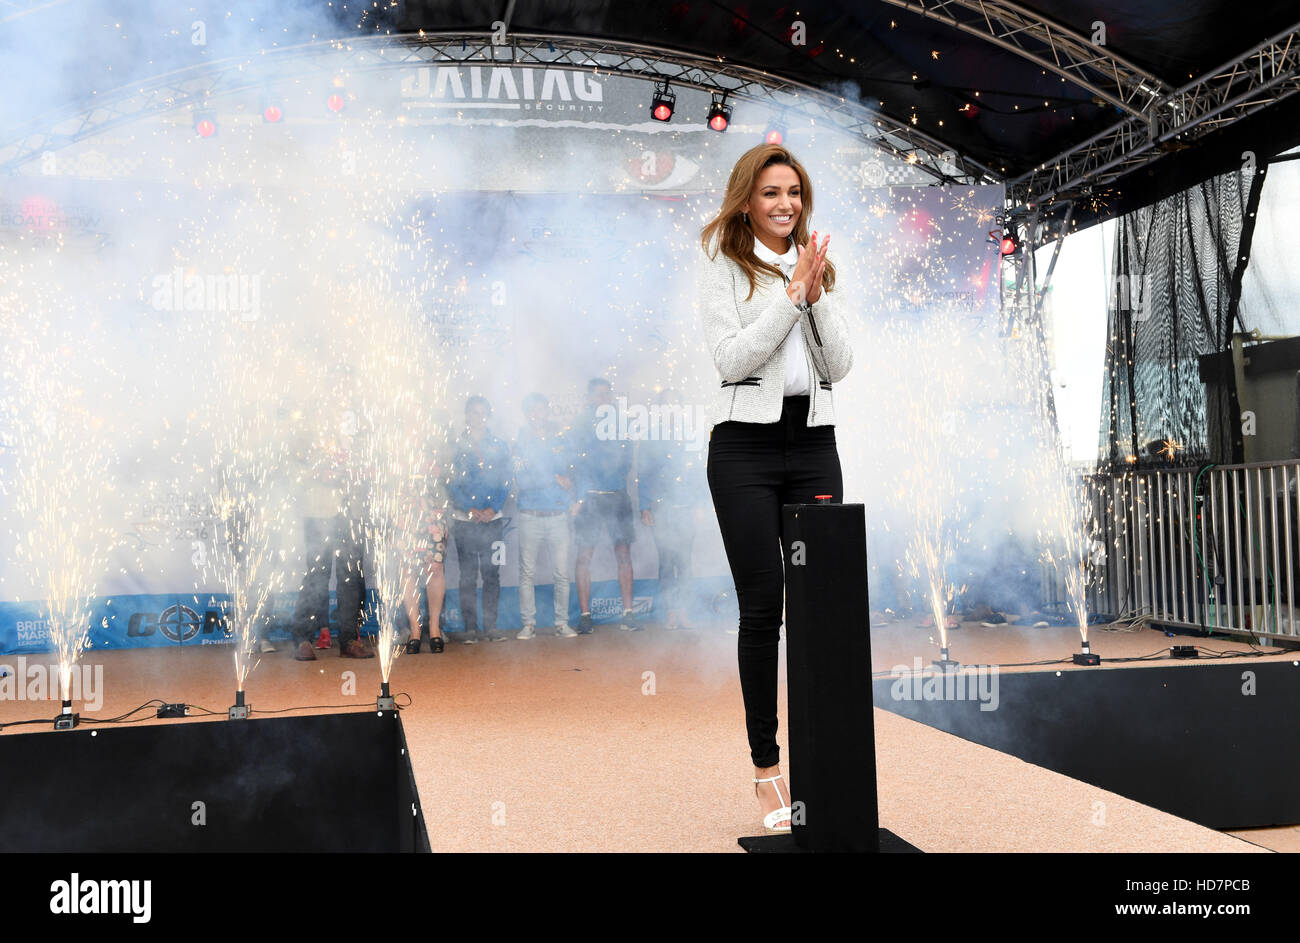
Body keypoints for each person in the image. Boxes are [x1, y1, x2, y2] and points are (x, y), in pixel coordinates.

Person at [697, 142, 854, 833]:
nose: (785, 203)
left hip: (814, 445)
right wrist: (789, 297)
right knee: (766, 604)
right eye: (770, 193)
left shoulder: (820, 268)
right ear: (747, 201)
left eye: (794, 191)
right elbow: (733, 361)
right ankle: (768, 771)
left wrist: (816, 296)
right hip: (744, 451)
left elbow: (840, 366)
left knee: (826, 606)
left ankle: (827, 766)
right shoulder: (724, 267)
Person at [289, 408, 374, 660]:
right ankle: (302, 638)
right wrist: (318, 473)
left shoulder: (362, 428)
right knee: (317, 573)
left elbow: (374, 464)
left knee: (350, 578)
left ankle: (349, 639)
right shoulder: (311, 425)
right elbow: (294, 464)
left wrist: (362, 474)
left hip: (352, 511)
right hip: (319, 509)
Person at [570, 377, 639, 633]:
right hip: (590, 498)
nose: (604, 399)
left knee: (624, 554)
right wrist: (580, 496)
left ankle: (629, 613)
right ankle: (585, 616)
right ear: (589, 398)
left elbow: (627, 458)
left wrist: (616, 477)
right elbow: (575, 461)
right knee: (584, 556)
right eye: (599, 395)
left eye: (607, 395)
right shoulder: (580, 424)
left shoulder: (620, 422)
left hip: (617, 495)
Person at [638, 388, 708, 630]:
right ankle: (671, 613)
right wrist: (645, 506)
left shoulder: (691, 436)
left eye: (675, 405)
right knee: (667, 563)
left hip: (686, 509)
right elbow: (643, 475)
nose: (671, 410)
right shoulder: (650, 437)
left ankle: (685, 612)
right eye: (666, 406)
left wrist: (700, 505)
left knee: (684, 562)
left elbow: (700, 472)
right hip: (662, 510)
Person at [513, 393, 579, 639]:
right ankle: (528, 624)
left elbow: (572, 472)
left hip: (557, 515)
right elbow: (523, 479)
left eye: (541, 410)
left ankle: (561, 623)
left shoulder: (560, 439)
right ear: (526, 414)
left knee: (562, 573)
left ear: (547, 412)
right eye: (532, 410)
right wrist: (553, 478)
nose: (537, 415)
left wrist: (567, 483)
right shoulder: (521, 441)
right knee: (527, 573)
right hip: (530, 514)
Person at [447, 395, 512, 643]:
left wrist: (493, 508)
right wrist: (469, 508)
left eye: (483, 412)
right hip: (465, 522)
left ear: (489, 415)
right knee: (467, 575)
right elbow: (451, 483)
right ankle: (471, 628)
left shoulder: (500, 445)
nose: (479, 417)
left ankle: (491, 627)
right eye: (474, 412)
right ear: (467, 415)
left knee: (492, 574)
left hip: (493, 522)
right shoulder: (456, 444)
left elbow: (507, 480)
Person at [401, 409, 453, 654]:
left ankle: (434, 628)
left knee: (435, 568)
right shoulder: (394, 448)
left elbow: (452, 475)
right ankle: (414, 629)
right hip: (404, 516)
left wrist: (438, 472)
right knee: (408, 569)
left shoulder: (438, 447)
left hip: (433, 514)